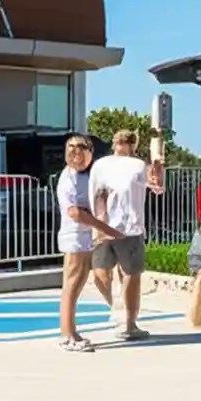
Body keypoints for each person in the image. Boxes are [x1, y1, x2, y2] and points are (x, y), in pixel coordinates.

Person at [88, 129, 163, 341]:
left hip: (124, 226)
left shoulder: (135, 165)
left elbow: (156, 187)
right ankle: (121, 312)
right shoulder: (105, 165)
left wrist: (157, 169)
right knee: (107, 274)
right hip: (112, 225)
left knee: (124, 274)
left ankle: (128, 321)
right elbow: (157, 188)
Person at [56, 133, 125, 352]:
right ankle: (68, 335)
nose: (76, 152)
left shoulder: (84, 176)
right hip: (75, 236)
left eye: (82, 147)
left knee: (77, 283)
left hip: (85, 236)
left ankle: (70, 332)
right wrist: (105, 229)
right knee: (72, 285)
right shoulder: (70, 179)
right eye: (72, 148)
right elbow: (76, 212)